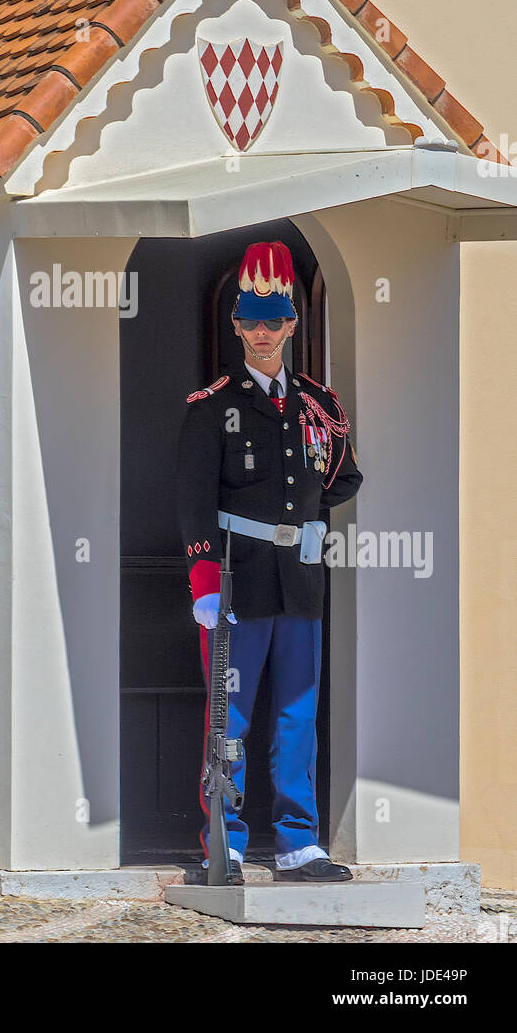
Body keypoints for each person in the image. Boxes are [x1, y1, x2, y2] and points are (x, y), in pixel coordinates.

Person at [176, 240, 363, 884]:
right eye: (251, 319)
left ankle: (296, 843)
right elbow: (192, 503)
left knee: (297, 714)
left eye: (275, 319)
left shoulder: (319, 404)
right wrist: (203, 581)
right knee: (231, 715)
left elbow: (344, 477)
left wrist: (307, 520)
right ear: (236, 326)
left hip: (300, 582)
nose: (263, 332)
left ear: (291, 324)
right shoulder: (214, 408)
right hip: (235, 578)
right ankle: (222, 842)